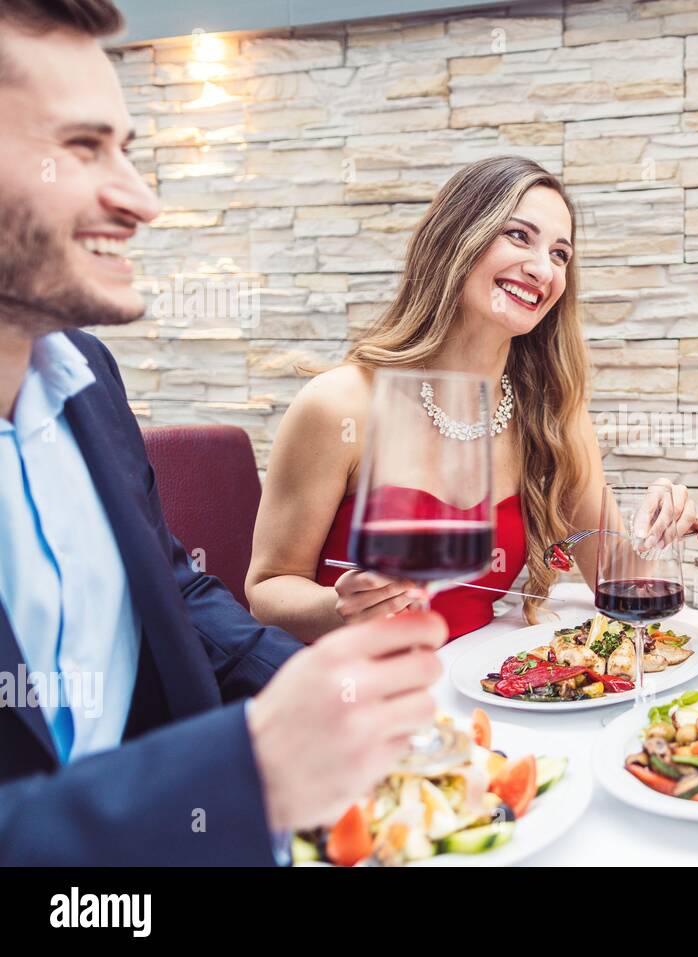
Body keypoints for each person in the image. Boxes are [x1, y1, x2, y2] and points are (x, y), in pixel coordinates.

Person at [0, 0, 445, 865]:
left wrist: (331, 692)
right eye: (84, 149)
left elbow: (178, 592)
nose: (141, 200)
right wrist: (241, 770)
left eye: (127, 149)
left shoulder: (85, 377)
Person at [245, 156, 698, 643]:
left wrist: (660, 531)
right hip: (352, 693)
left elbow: (613, 580)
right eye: (518, 235)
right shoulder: (340, 405)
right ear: (455, 240)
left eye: (559, 254)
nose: (541, 269)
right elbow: (267, 590)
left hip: (477, 697)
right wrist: (342, 606)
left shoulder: (553, 417)